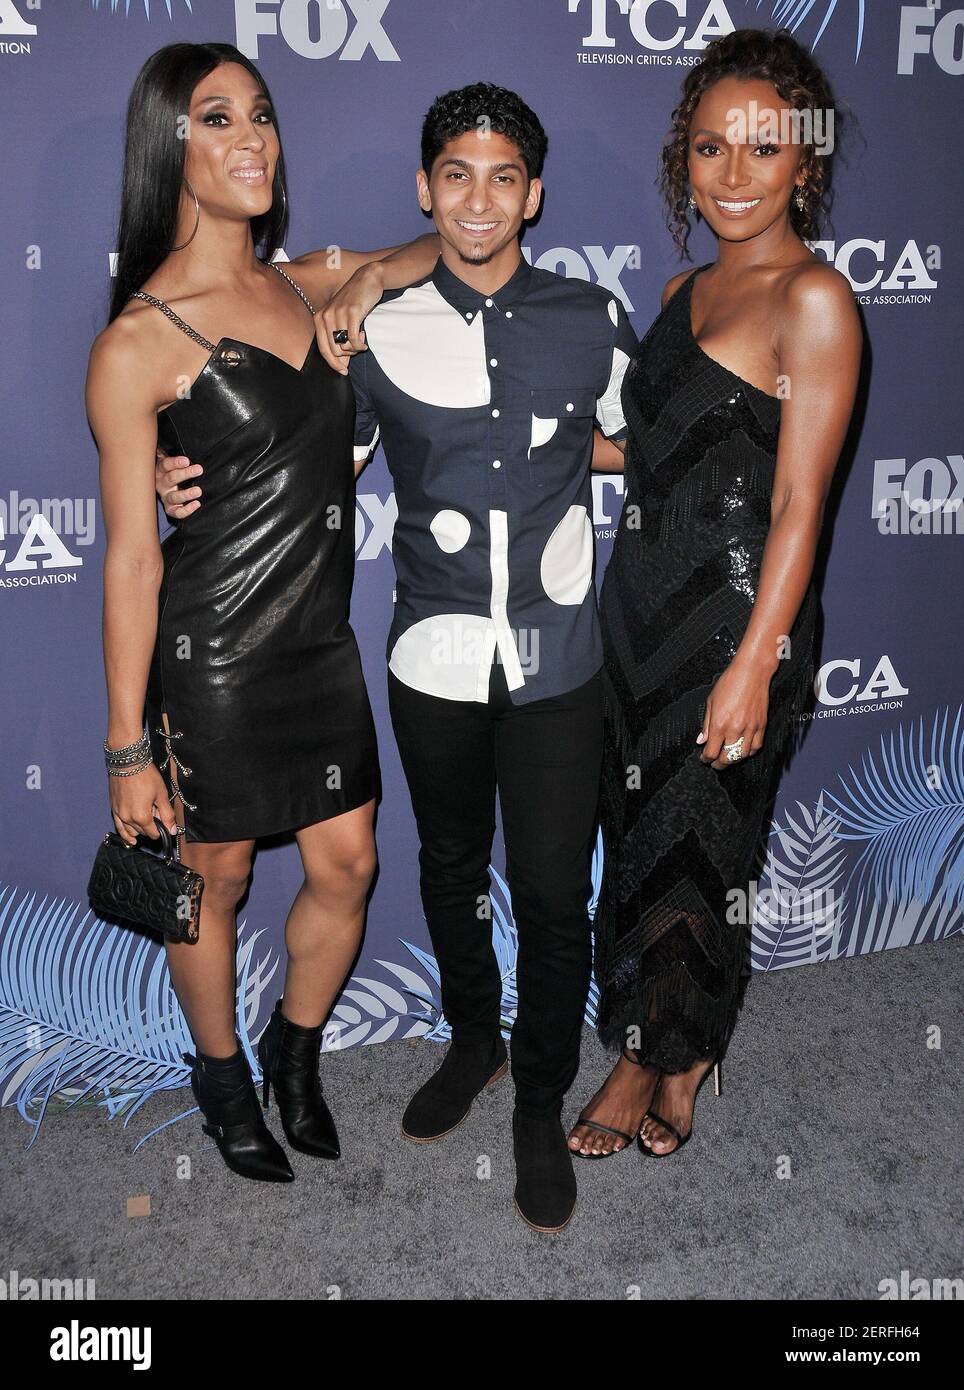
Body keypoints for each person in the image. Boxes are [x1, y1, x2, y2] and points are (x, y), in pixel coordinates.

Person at [157, 81, 639, 1232]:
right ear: (425, 191)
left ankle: (535, 1098)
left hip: (559, 666)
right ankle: (472, 1038)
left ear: (536, 195)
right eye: (456, 177)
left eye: (505, 177)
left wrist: (583, 456)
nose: (480, 200)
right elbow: (291, 454)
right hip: (428, 663)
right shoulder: (368, 328)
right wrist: (160, 474)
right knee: (448, 872)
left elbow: (636, 439)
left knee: (551, 892)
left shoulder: (592, 315)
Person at [87, 41, 439, 1183]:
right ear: (171, 147)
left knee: (347, 866)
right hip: (215, 653)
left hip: (316, 644)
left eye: (263, 117)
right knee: (217, 877)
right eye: (217, 118)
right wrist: (126, 745)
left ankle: (297, 1054)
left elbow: (453, 245)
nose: (252, 140)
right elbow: (134, 563)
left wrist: (371, 285)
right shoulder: (138, 338)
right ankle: (224, 1076)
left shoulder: (308, 278)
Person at [568, 28, 861, 1160]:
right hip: (637, 613)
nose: (732, 174)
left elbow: (800, 506)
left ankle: (651, 1059)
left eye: (761, 148)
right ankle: (687, 1047)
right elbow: (652, 453)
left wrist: (751, 663)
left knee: (698, 850)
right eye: (708, 148)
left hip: (737, 622)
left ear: (804, 163)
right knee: (638, 843)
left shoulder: (814, 299)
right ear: (682, 159)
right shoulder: (687, 285)